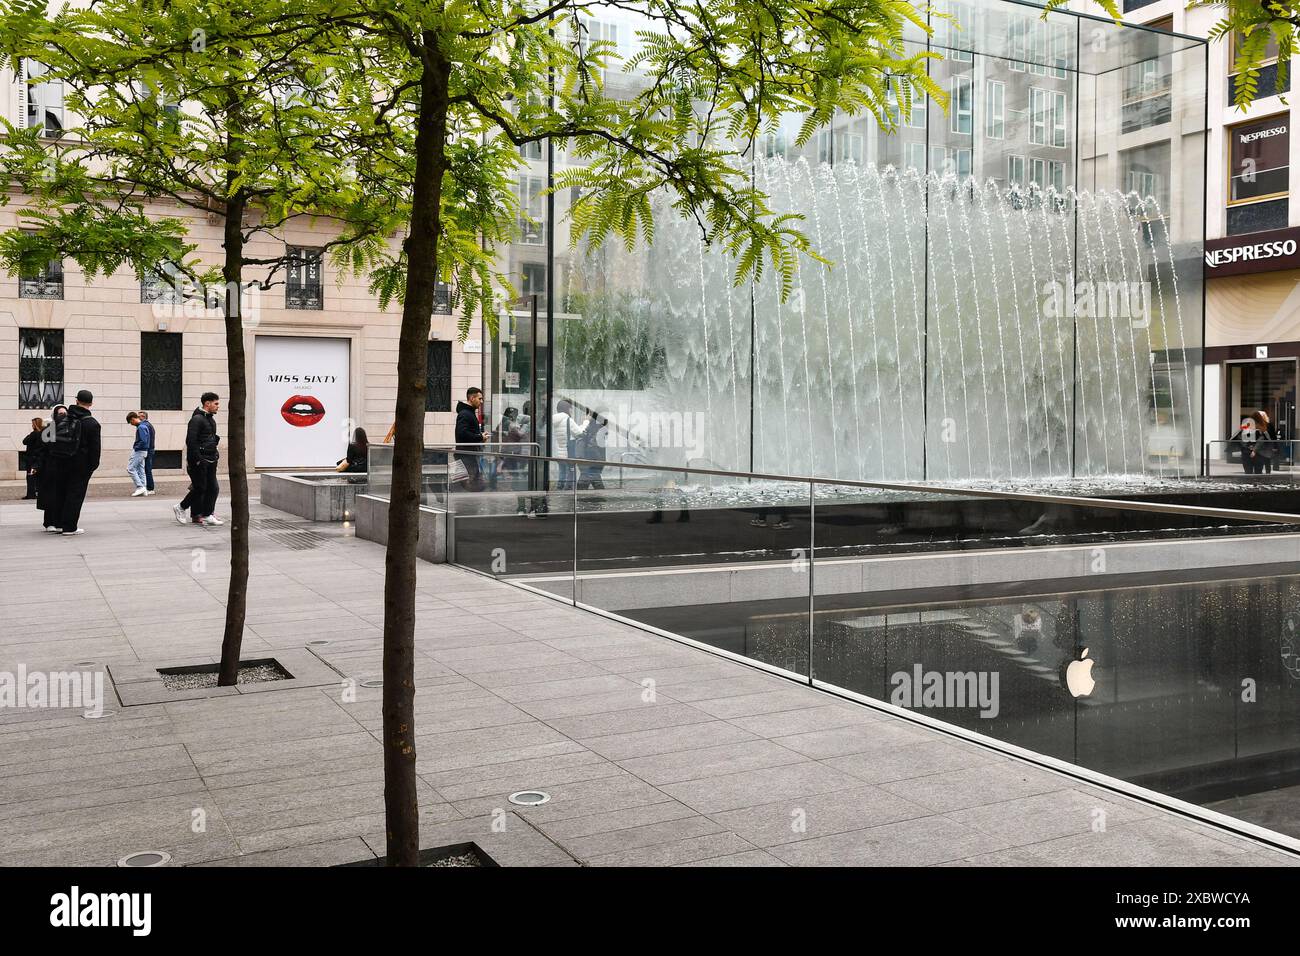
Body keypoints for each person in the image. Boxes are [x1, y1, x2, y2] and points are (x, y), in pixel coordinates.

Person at [44, 390, 101, 536]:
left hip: (61, 461)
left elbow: (49, 440)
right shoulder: (92, 423)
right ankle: (69, 527)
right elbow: (95, 450)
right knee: (75, 495)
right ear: (91, 404)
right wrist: (92, 466)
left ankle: (58, 524)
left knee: (60, 492)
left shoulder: (62, 419)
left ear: (76, 401)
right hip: (80, 465)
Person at [174, 392, 222, 526]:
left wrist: (215, 453)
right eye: (216, 403)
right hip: (200, 460)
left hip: (211, 459)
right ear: (207, 403)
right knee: (200, 488)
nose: (218, 406)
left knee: (213, 488)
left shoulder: (210, 419)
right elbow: (191, 441)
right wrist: (197, 460)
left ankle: (207, 514)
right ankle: (181, 507)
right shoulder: (197, 419)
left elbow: (209, 439)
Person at [551, 399, 588, 491]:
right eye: (571, 408)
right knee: (570, 472)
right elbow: (579, 433)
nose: (571, 410)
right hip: (568, 451)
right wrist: (585, 422)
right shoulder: (568, 420)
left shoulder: (555, 420)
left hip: (559, 451)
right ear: (567, 408)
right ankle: (569, 490)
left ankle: (560, 489)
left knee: (562, 472)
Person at [39, 406, 67, 530]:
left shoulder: (69, 428)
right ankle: (49, 522)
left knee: (62, 496)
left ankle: (60, 521)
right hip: (50, 467)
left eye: (65, 413)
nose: (63, 416)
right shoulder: (49, 429)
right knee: (50, 495)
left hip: (64, 467)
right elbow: (41, 450)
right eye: (60, 413)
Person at [454, 387, 487, 491]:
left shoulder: (468, 412)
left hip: (467, 456)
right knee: (465, 487)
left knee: (465, 486)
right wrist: (480, 437)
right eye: (480, 398)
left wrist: (480, 437)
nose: (481, 402)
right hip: (466, 456)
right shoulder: (465, 414)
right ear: (472, 398)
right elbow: (462, 433)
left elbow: (467, 432)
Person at [575, 409, 608, 490]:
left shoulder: (593, 426)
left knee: (588, 481)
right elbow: (592, 444)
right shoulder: (595, 426)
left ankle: (580, 499)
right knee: (593, 480)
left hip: (590, 460)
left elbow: (586, 441)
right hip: (592, 460)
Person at [21, 417, 45, 500]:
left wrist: (29, 434)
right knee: (38, 477)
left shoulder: (34, 433)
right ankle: (39, 493)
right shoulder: (43, 433)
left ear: (35, 424)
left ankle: (31, 494)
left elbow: (24, 441)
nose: (31, 425)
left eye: (32, 424)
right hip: (39, 458)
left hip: (32, 458)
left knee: (30, 477)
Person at [126, 412, 149, 496]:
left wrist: (136, 447)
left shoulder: (141, 427)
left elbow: (143, 441)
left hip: (139, 451)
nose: (131, 424)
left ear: (133, 419)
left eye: (131, 422)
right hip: (143, 451)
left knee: (130, 468)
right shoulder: (143, 426)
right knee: (140, 469)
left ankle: (140, 487)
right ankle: (144, 488)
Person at [138, 411, 157, 494]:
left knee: (147, 469)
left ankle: (150, 488)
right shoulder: (148, 425)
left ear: (143, 417)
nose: (137, 418)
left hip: (148, 450)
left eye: (139, 416)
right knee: (146, 469)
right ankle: (147, 487)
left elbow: (145, 440)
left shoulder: (144, 425)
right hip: (150, 449)